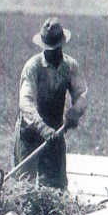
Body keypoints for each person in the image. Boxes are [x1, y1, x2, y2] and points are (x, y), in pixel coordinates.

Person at [13, 17, 88, 191]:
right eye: (49, 49)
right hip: (30, 133)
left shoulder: (70, 66)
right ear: (43, 47)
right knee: (25, 188)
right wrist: (42, 128)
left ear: (62, 44)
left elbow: (82, 93)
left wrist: (74, 113)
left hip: (55, 132)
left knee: (56, 188)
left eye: (56, 49)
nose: (53, 53)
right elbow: (26, 103)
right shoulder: (32, 67)